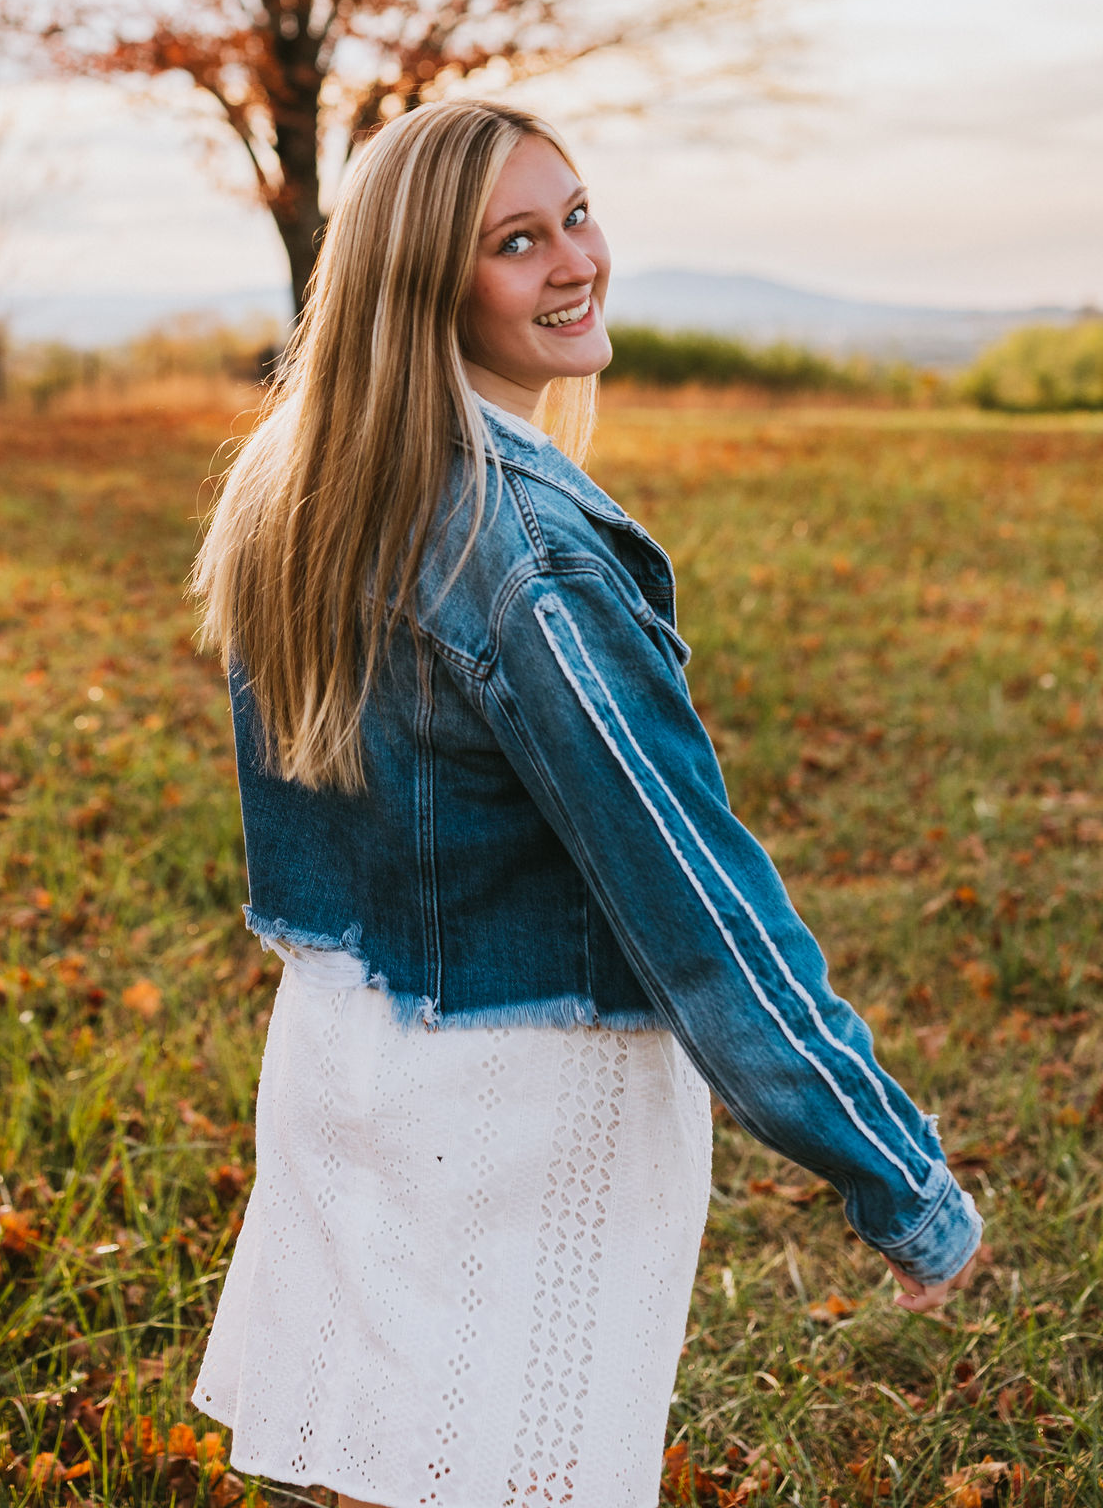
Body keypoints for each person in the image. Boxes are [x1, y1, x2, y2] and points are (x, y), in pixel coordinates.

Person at [190, 98, 982, 1508]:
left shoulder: (297, 488)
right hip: (522, 1103)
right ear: (428, 283)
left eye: (576, 214)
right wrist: (892, 1168)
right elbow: (698, 902)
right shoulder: (533, 561)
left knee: (384, 1468)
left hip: (344, 1064)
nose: (576, 260)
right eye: (516, 242)